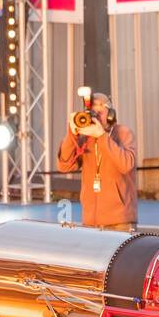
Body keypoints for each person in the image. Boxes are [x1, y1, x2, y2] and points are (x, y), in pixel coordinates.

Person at [56, 91, 138, 230]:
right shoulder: (85, 138)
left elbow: (126, 165)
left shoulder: (124, 133)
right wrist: (72, 135)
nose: (97, 118)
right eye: (93, 114)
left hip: (119, 221)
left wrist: (101, 136)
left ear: (111, 115)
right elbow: (64, 166)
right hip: (90, 221)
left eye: (100, 112)